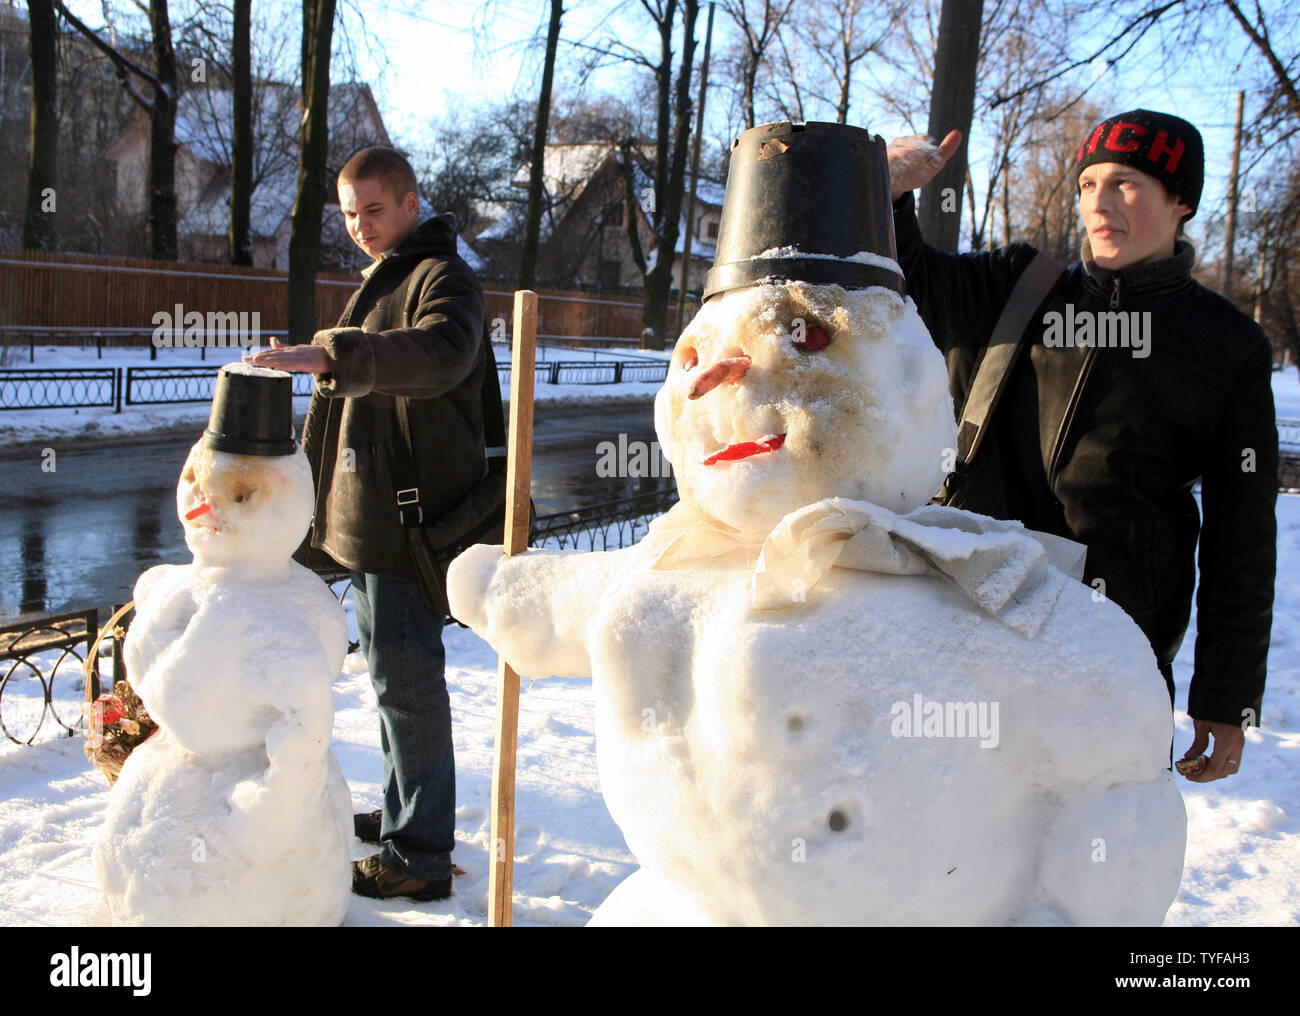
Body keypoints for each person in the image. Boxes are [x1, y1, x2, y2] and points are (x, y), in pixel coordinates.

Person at [886, 110, 1277, 783]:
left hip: (1111, 647)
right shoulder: (1016, 285)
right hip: (967, 623)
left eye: (1126, 184)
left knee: (1088, 856)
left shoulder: (1228, 345)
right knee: (952, 842)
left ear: (1181, 201)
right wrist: (886, 193)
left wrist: (1226, 696)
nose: (1100, 202)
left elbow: (1243, 534)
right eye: (1088, 183)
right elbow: (901, 280)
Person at [251, 145, 488, 900]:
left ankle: (417, 856)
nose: (360, 226)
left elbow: (441, 355)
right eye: (350, 214)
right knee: (391, 682)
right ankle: (401, 813)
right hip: (374, 521)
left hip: (408, 526)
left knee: (409, 685)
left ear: (412, 203)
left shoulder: (441, 278)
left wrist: (331, 356)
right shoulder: (386, 279)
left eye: (374, 210)